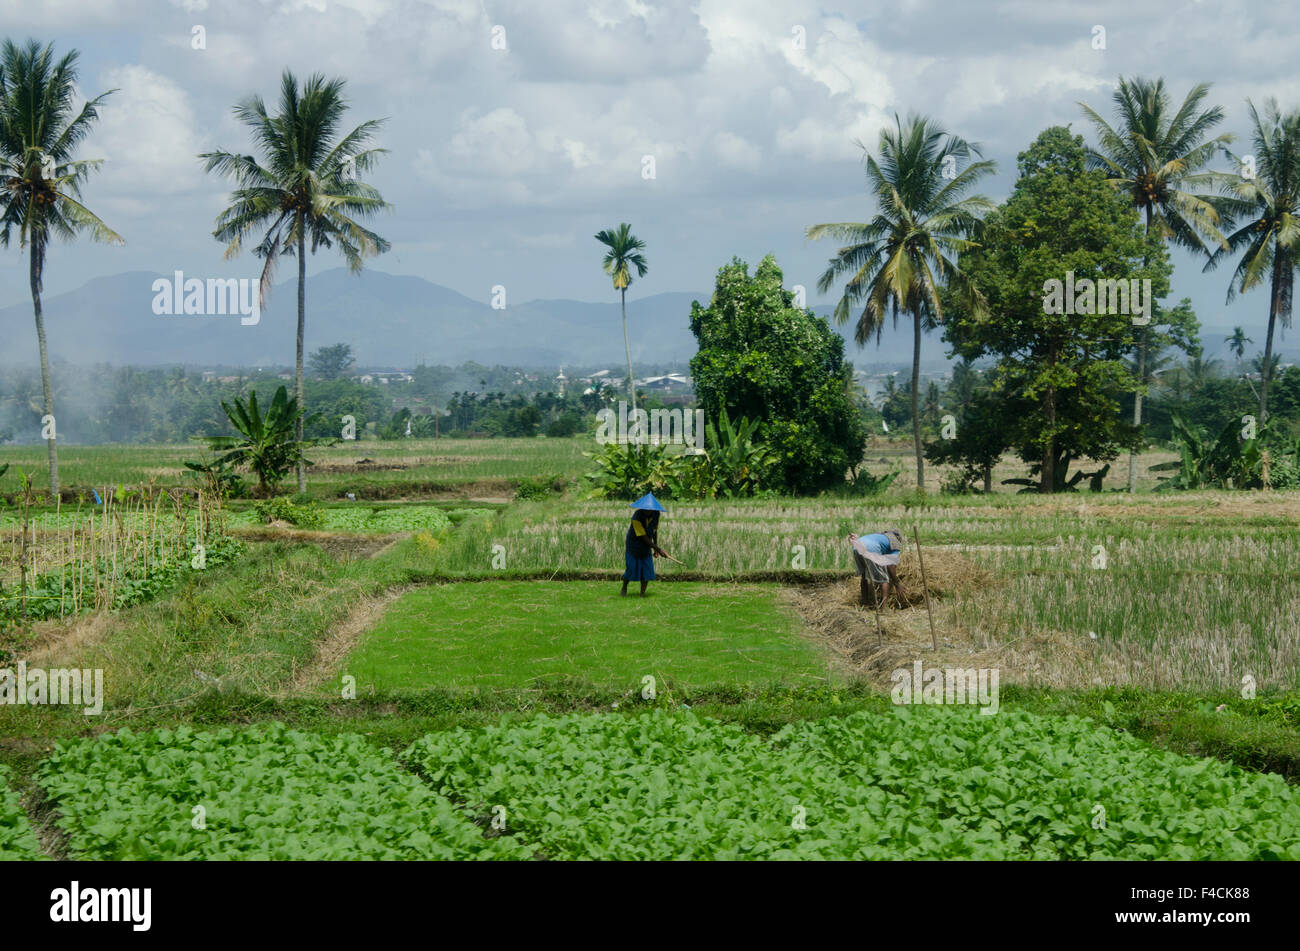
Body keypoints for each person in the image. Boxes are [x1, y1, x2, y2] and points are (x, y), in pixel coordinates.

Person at [622, 492, 667, 597]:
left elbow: (654, 531)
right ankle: (624, 587)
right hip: (634, 544)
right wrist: (659, 549)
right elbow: (643, 537)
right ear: (642, 508)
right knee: (631, 568)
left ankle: (642, 594)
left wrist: (656, 549)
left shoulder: (656, 514)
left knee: (646, 570)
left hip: (648, 545)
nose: (648, 511)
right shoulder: (636, 517)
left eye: (650, 508)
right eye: (646, 508)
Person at [847, 527, 905, 607]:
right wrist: (897, 584)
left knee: (864, 575)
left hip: (857, 546)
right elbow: (890, 565)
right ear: (898, 538)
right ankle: (884, 608)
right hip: (871, 548)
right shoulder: (895, 542)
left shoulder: (879, 536)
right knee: (884, 579)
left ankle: (864, 603)